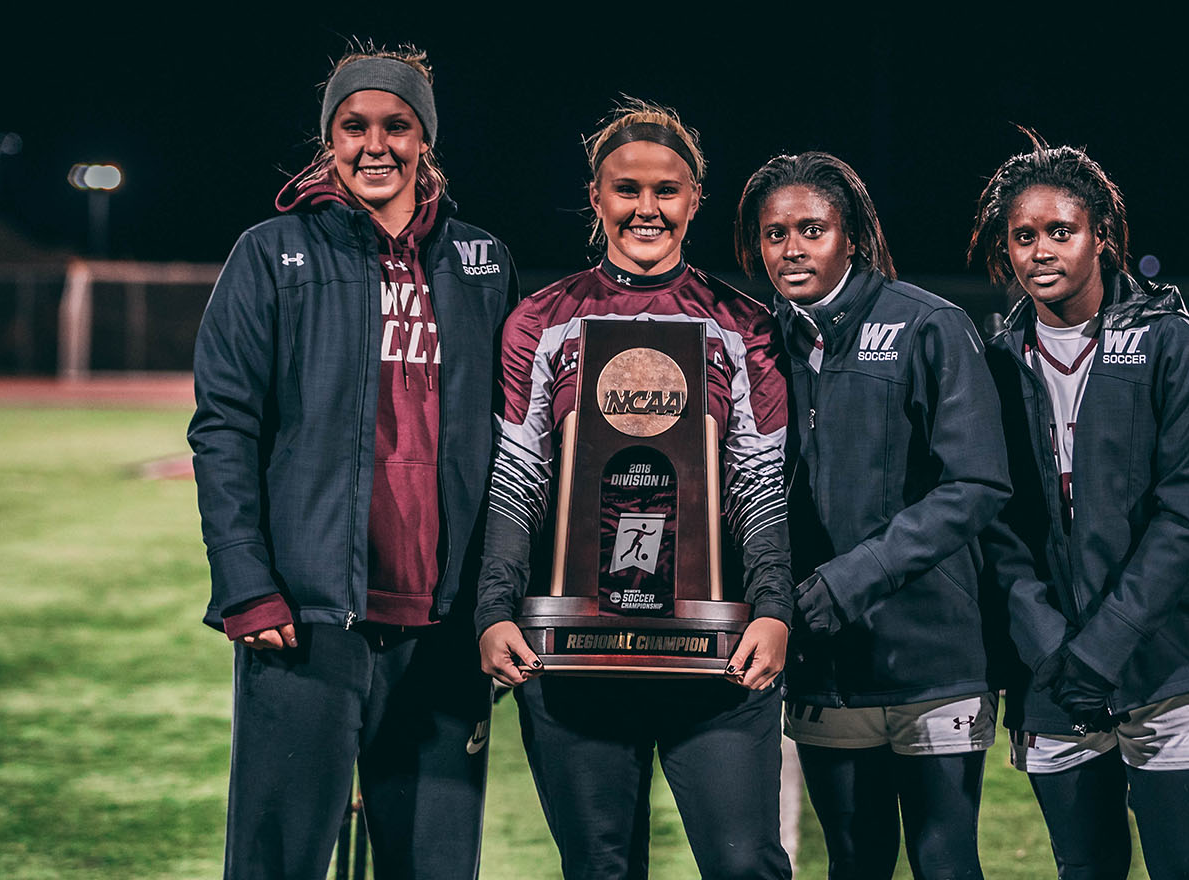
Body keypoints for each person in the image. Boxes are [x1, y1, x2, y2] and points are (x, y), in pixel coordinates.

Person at [188, 44, 516, 879]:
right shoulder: (270, 253)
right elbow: (224, 426)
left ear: (424, 138)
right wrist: (245, 582)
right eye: (354, 126)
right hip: (306, 619)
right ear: (329, 139)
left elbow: (518, 439)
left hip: (442, 628)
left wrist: (499, 599)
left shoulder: (481, 262)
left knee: (436, 865)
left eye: (397, 126)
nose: (376, 145)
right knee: (278, 862)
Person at [474, 99, 794, 880]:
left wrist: (774, 607)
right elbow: (518, 478)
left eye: (666, 190)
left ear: (695, 201)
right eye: (627, 188)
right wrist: (493, 609)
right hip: (579, 655)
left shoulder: (743, 324)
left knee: (744, 865)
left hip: (714, 652)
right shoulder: (539, 322)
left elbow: (758, 481)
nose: (646, 207)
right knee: (600, 867)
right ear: (596, 197)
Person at [970, 131, 1189, 879]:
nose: (1041, 251)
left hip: (1169, 662)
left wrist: (1104, 647)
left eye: (1061, 231)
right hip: (1053, 671)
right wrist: (1049, 645)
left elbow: (1184, 515)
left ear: (1101, 237)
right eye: (1023, 236)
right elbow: (993, 522)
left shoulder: (1172, 346)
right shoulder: (995, 364)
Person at [734, 152, 1012, 879]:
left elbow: (978, 482)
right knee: (854, 864)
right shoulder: (759, 344)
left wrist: (849, 580)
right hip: (826, 661)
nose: (792, 249)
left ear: (851, 235)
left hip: (935, 660)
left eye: (812, 229)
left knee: (946, 864)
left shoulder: (929, 325)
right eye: (774, 234)